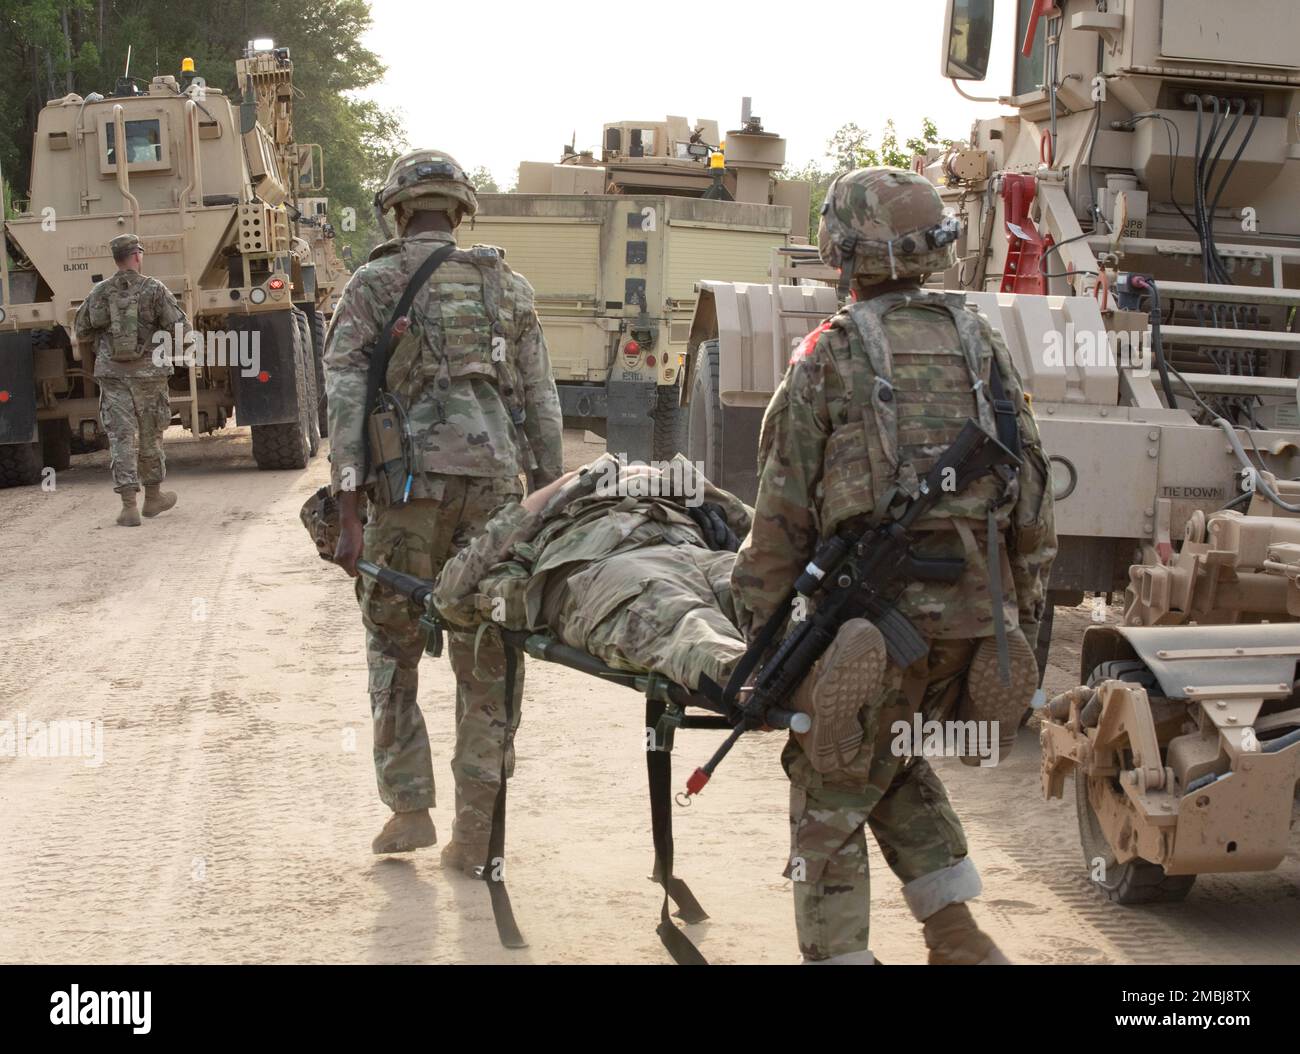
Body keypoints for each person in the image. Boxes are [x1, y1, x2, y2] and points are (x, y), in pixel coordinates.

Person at [731, 167, 1057, 964]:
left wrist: (758, 630)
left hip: (870, 623)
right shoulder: (981, 343)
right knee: (890, 752)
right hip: (978, 623)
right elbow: (1036, 492)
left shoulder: (830, 354)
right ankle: (959, 936)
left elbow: (780, 516)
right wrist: (1021, 609)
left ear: (839, 254)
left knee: (830, 775)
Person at [324, 149, 564, 865]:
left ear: (397, 210)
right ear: (459, 211)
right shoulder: (509, 289)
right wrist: (548, 498)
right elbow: (540, 402)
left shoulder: (373, 283)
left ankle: (408, 810)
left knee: (393, 650)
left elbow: (345, 396)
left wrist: (347, 506)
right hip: (493, 496)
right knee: (486, 653)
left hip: (406, 494)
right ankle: (477, 830)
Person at [431, 454, 751, 693]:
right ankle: (748, 678)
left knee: (772, 598)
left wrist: (693, 487)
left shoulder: (681, 491)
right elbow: (449, 593)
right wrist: (571, 483)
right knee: (682, 619)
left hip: (691, 546)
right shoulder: (543, 518)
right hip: (605, 563)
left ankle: (795, 664)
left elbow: (768, 538)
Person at [73, 233, 183, 526]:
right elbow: (178, 327)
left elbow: (81, 328)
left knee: (121, 436)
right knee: (151, 434)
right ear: (137, 255)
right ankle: (153, 498)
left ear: (116, 259)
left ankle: (128, 506)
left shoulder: (100, 292)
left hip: (112, 375)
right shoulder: (155, 289)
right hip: (150, 375)